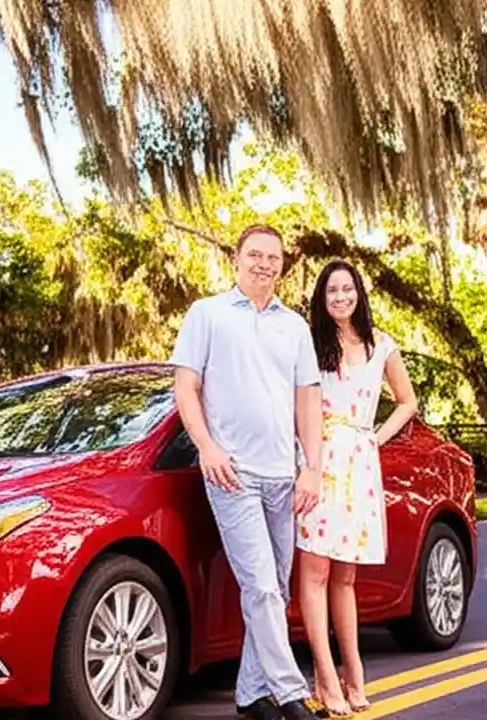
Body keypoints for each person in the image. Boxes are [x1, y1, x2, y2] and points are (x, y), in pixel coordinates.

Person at [170, 223, 324, 720]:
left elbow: (307, 403)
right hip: (233, 475)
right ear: (236, 260)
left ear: (282, 264)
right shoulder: (207, 314)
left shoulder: (294, 327)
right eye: (255, 255)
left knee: (275, 591)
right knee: (259, 585)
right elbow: (186, 388)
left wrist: (312, 469)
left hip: (285, 477)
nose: (264, 263)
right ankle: (289, 692)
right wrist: (207, 448)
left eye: (274, 257)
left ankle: (250, 695)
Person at [295, 259, 418, 715]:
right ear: (322, 300)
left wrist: (374, 438)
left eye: (347, 289)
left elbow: (408, 401)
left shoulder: (381, 344)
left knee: (345, 576)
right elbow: (296, 403)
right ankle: (325, 677)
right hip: (317, 458)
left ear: (359, 293)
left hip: (359, 466)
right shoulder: (310, 346)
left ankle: (355, 672)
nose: (340, 297)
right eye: (331, 292)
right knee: (315, 572)